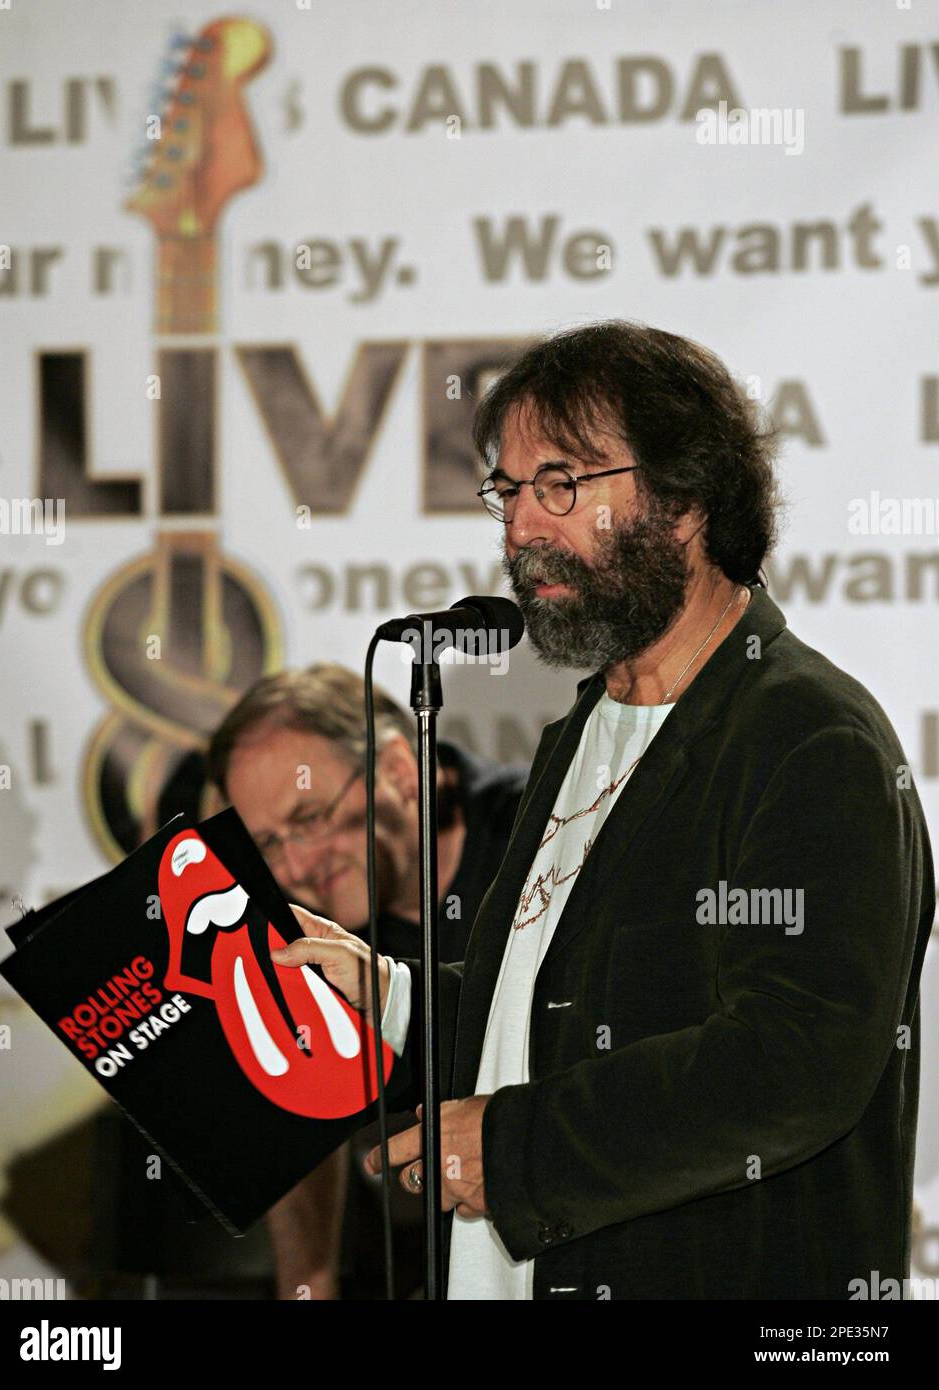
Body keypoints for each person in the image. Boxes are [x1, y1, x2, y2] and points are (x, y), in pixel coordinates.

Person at [270, 319, 936, 1300]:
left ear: (684, 496)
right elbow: (566, 1014)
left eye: (562, 484)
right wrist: (394, 994)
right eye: (508, 491)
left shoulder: (807, 737)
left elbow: (792, 1064)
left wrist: (517, 1147)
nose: (521, 529)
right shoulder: (586, 729)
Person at [207, 664, 528, 1298]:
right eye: (268, 843)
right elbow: (299, 1116)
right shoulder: (306, 928)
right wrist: (309, 1288)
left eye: (310, 817)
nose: (297, 865)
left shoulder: (544, 830)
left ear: (402, 773)